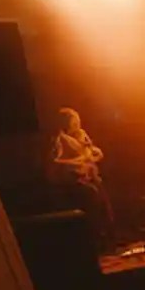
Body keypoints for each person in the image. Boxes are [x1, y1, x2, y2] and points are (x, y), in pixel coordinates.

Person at [51, 107, 113, 250]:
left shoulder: (80, 135)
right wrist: (81, 160)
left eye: (78, 121)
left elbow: (95, 152)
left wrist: (93, 153)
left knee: (104, 203)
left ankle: (107, 238)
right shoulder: (60, 140)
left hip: (90, 177)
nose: (77, 124)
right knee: (92, 198)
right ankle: (93, 240)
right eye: (74, 122)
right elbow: (54, 162)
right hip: (72, 181)